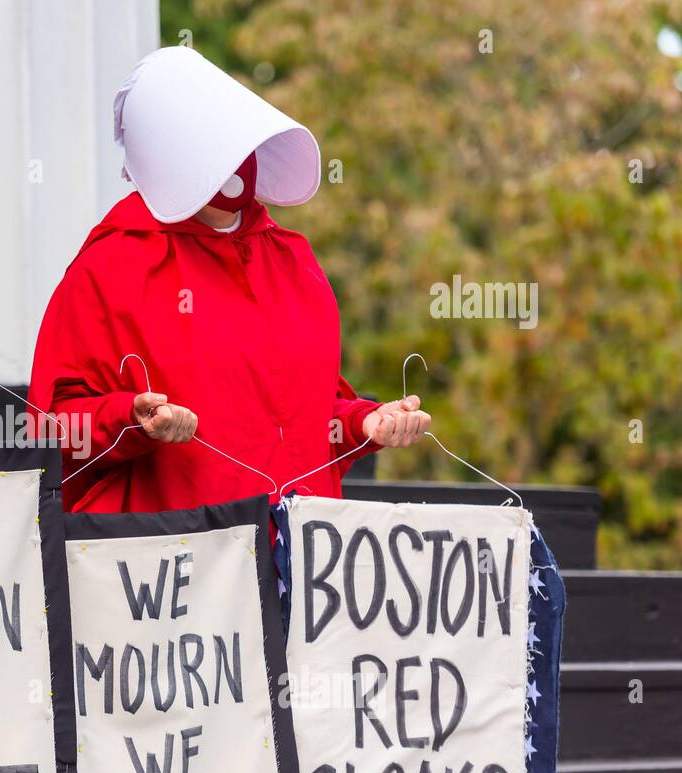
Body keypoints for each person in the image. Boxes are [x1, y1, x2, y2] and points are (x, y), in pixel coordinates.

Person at [30, 47, 431, 514]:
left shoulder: (289, 259)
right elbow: (52, 432)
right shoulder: (110, 268)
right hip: (171, 563)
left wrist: (366, 422)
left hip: (294, 562)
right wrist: (132, 420)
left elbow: (304, 421)